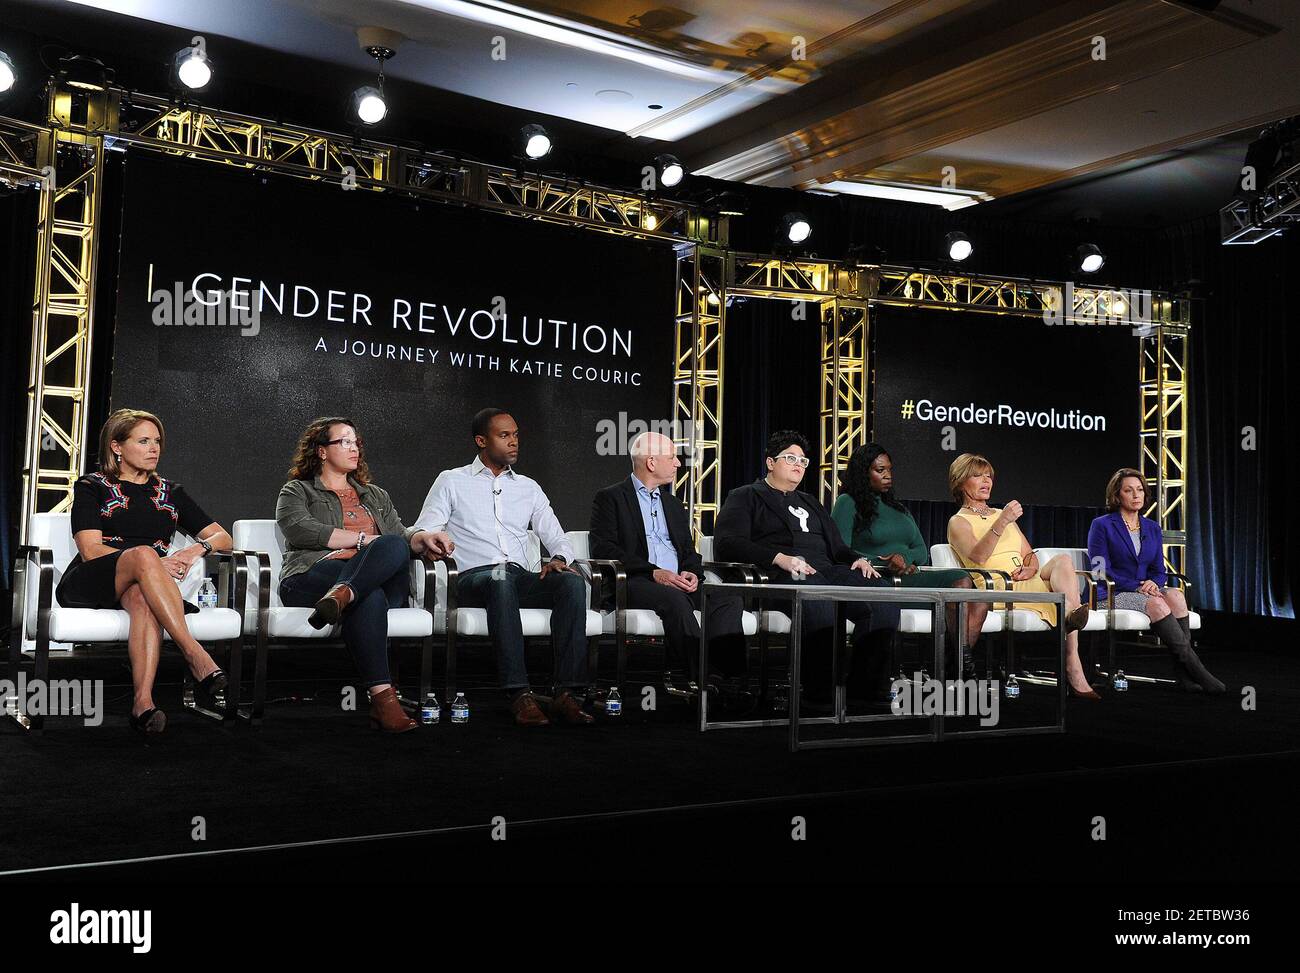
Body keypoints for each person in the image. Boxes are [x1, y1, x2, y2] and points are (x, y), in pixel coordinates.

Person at [411, 408, 595, 728]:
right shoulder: (452, 480)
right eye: (504, 435)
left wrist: (559, 560)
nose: (514, 443)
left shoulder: (529, 487)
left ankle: (567, 693)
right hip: (473, 577)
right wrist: (431, 539)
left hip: (519, 576)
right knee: (499, 579)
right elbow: (424, 528)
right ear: (481, 441)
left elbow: (557, 537)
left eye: (516, 435)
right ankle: (519, 693)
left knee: (571, 583)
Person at [57, 408, 232, 736]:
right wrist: (150, 561)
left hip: (145, 584)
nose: (155, 448)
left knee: (143, 600)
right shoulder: (92, 486)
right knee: (144, 555)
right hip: (91, 579)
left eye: (157, 441)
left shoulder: (170, 492)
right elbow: (90, 550)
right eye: (143, 441)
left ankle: (142, 704)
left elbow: (223, 538)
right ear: (117, 447)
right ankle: (193, 652)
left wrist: (196, 550)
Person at [714, 430, 900, 702]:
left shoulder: (810, 501)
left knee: (881, 595)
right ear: (770, 462)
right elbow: (728, 543)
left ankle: (866, 689)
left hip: (825, 570)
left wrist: (855, 559)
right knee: (818, 596)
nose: (798, 465)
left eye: (803, 461)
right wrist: (779, 558)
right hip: (779, 574)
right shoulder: (746, 496)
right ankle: (819, 692)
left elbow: (837, 547)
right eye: (790, 458)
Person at [276, 416, 435, 733]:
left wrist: (424, 538)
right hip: (312, 575)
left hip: (361, 584)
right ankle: (384, 701)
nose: (353, 448)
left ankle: (343, 593)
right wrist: (362, 541)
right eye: (344, 442)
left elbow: (400, 537)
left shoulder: (375, 495)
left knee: (392, 546)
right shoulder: (298, 490)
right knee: (369, 593)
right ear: (322, 451)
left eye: (355, 442)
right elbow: (300, 528)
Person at [589, 430, 748, 687]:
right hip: (635, 581)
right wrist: (654, 571)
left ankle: (727, 678)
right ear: (651, 462)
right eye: (672, 457)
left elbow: (688, 550)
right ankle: (702, 679)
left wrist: (692, 572)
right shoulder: (611, 498)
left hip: (679, 580)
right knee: (674, 599)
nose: (677, 463)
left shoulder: (673, 504)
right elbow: (604, 549)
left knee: (726, 598)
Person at [945, 453, 1097, 699]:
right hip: (999, 585)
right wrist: (1002, 520)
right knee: (1064, 601)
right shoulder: (959, 521)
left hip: (1025, 579)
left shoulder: (999, 514)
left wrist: (1031, 567)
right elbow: (979, 557)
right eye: (977, 475)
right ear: (960, 482)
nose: (986, 481)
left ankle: (1069, 618)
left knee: (1063, 561)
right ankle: (1071, 640)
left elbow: (1029, 555)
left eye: (989, 476)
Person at [832, 442, 989, 675]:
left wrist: (904, 558)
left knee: (967, 585)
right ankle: (958, 672)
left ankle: (954, 668)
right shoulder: (847, 503)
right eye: (880, 470)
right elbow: (839, 549)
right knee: (967, 591)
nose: (887, 476)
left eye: (889, 470)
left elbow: (921, 551)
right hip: (878, 582)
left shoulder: (898, 508)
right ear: (863, 472)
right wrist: (884, 561)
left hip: (909, 578)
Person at [1087, 468, 1224, 693]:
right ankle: (1197, 670)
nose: (1136, 495)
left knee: (1177, 597)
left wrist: (1152, 583)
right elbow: (1100, 569)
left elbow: (1159, 570)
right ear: (1117, 495)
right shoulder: (1102, 525)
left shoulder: (1152, 527)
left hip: (1145, 590)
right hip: (1110, 593)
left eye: (1140, 490)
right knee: (1158, 604)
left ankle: (1183, 675)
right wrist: (1138, 585)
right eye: (1128, 490)